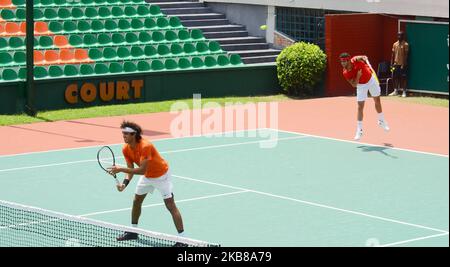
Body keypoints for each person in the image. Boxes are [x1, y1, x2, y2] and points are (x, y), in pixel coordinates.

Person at [108, 121, 186, 245]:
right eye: (123, 133)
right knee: (136, 201)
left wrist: (120, 169)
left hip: (161, 176)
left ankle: (183, 239)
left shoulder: (145, 146)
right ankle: (133, 232)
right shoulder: (125, 149)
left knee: (170, 205)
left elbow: (141, 169)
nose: (124, 136)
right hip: (147, 177)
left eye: (126, 134)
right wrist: (124, 183)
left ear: (134, 134)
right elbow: (131, 169)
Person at [340, 53, 390, 140]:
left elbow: (361, 57)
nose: (342, 63)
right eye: (341, 61)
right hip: (360, 85)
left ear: (348, 60)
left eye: (344, 61)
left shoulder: (355, 60)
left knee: (377, 100)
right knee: (360, 107)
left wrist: (363, 57)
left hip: (371, 80)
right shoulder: (345, 73)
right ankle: (359, 130)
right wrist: (358, 76)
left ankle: (381, 120)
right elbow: (354, 85)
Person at [389, 31, 409, 97]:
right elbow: (392, 54)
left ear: (403, 36)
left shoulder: (406, 44)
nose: (399, 37)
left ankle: (404, 92)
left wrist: (403, 64)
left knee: (403, 78)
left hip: (403, 65)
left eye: (400, 36)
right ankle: (395, 91)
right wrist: (391, 64)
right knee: (395, 77)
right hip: (395, 64)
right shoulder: (395, 44)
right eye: (398, 35)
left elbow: (406, 55)